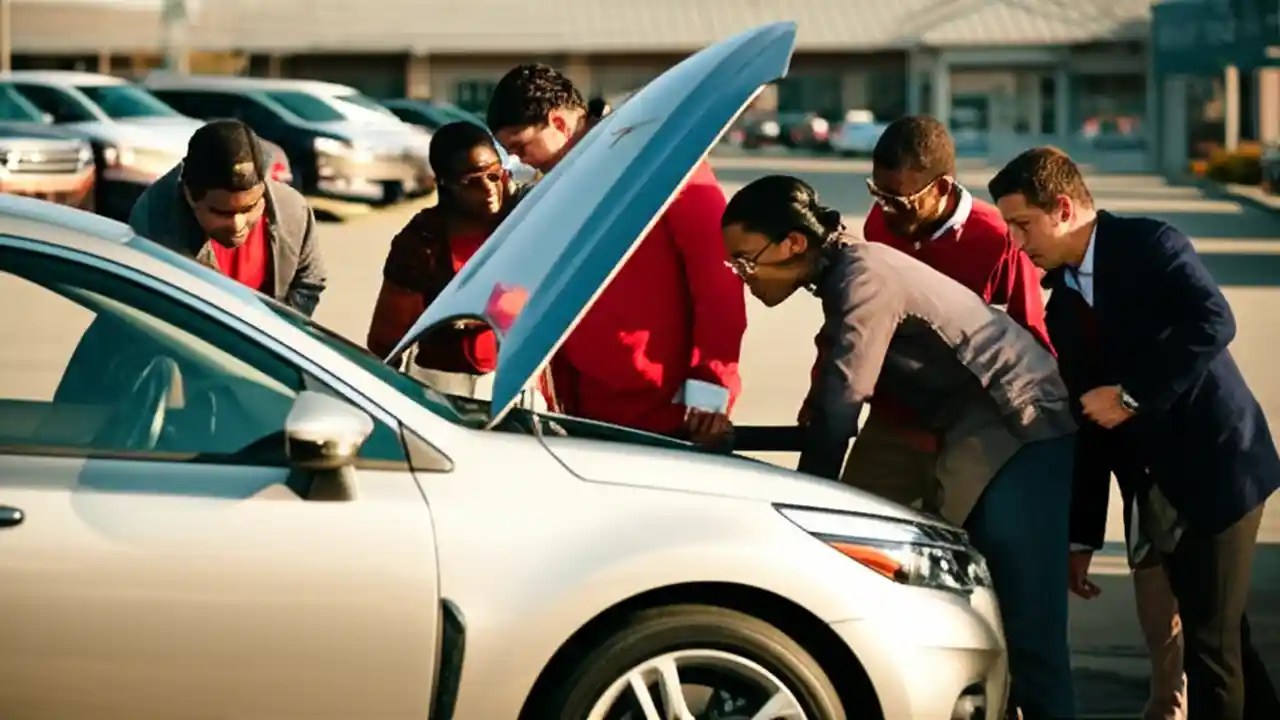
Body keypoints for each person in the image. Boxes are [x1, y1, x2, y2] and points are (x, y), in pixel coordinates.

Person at [722, 175, 1078, 719]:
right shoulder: (843, 270)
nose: (743, 277)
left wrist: (804, 496)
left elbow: (844, 401)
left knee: (1027, 624)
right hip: (977, 429)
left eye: (745, 261)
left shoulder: (862, 279)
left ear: (794, 244)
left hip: (1023, 423)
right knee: (989, 616)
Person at [988, 147, 1280, 720]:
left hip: (1220, 469)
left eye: (1023, 225)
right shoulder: (1065, 301)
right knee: (1223, 639)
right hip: (1157, 484)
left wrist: (1129, 396)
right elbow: (1091, 427)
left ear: (1064, 209)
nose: (1018, 245)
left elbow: (1213, 320)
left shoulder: (1150, 244)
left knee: (1211, 650)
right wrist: (1082, 539)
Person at [486, 63, 746, 446]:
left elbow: (718, 278)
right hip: (587, 406)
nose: (520, 161)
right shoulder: (553, 188)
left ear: (558, 123)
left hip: (668, 406)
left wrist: (711, 387)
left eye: (521, 147)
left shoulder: (661, 160)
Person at [808, 115, 1052, 516]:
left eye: (897, 199)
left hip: (969, 432)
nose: (884, 211)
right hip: (893, 422)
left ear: (941, 188)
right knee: (851, 527)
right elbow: (854, 319)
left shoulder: (998, 241)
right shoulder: (883, 223)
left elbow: (1033, 344)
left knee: (961, 550)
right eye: (876, 193)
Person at [366, 121, 523, 398]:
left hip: (516, 379)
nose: (488, 188)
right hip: (442, 385)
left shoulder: (524, 218)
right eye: (471, 181)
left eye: (494, 175)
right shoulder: (421, 242)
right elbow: (385, 339)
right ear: (444, 183)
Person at [129, 118, 326, 316]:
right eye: (222, 212)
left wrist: (277, 332)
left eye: (250, 208)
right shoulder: (154, 221)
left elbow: (308, 283)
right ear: (190, 196)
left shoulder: (292, 212)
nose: (237, 225)